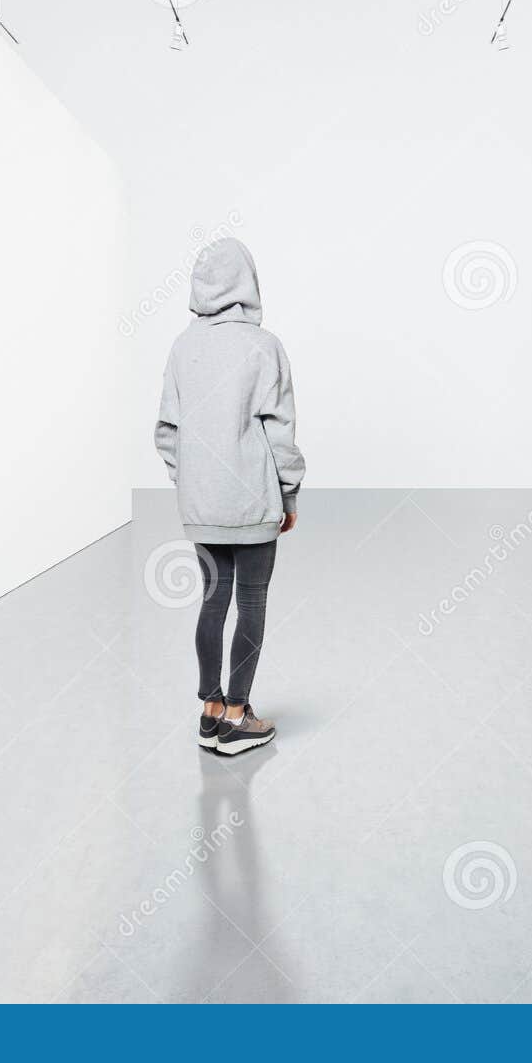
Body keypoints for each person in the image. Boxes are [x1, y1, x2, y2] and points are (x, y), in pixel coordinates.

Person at [155, 237, 305, 756]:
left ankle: (210, 710)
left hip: (202, 505)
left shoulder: (182, 347)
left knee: (212, 600)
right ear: (248, 283)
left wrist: (190, 480)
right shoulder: (264, 346)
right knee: (251, 601)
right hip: (253, 502)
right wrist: (288, 493)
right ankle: (239, 717)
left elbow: (167, 431)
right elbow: (279, 432)